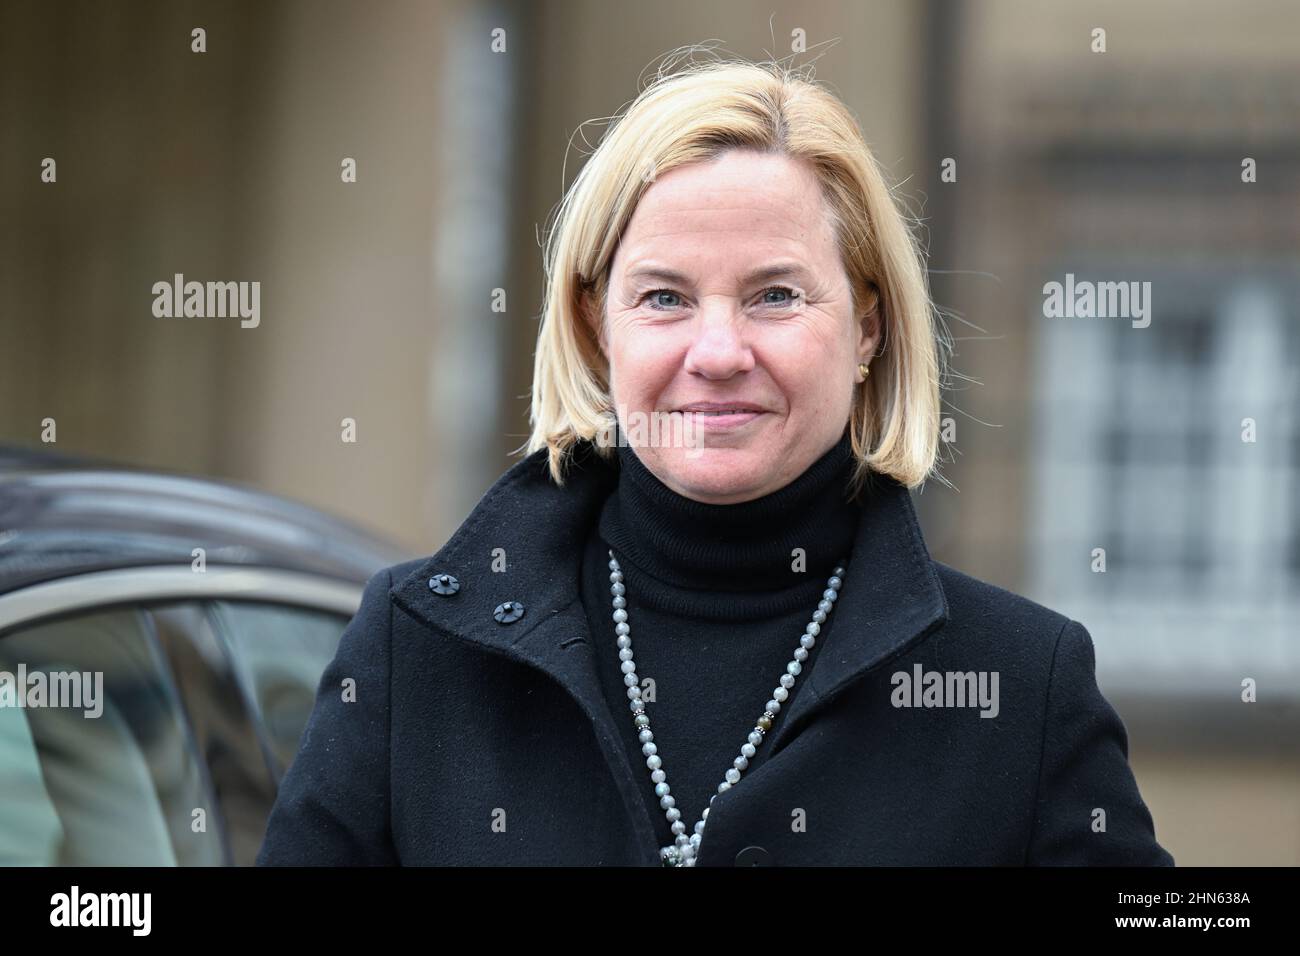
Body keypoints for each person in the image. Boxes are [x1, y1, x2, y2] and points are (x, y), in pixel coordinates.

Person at [257, 57, 1174, 867]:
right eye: (664, 298)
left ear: (867, 327)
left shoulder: (1019, 682)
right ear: (595, 326)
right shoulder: (419, 651)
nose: (719, 350)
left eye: (775, 295)